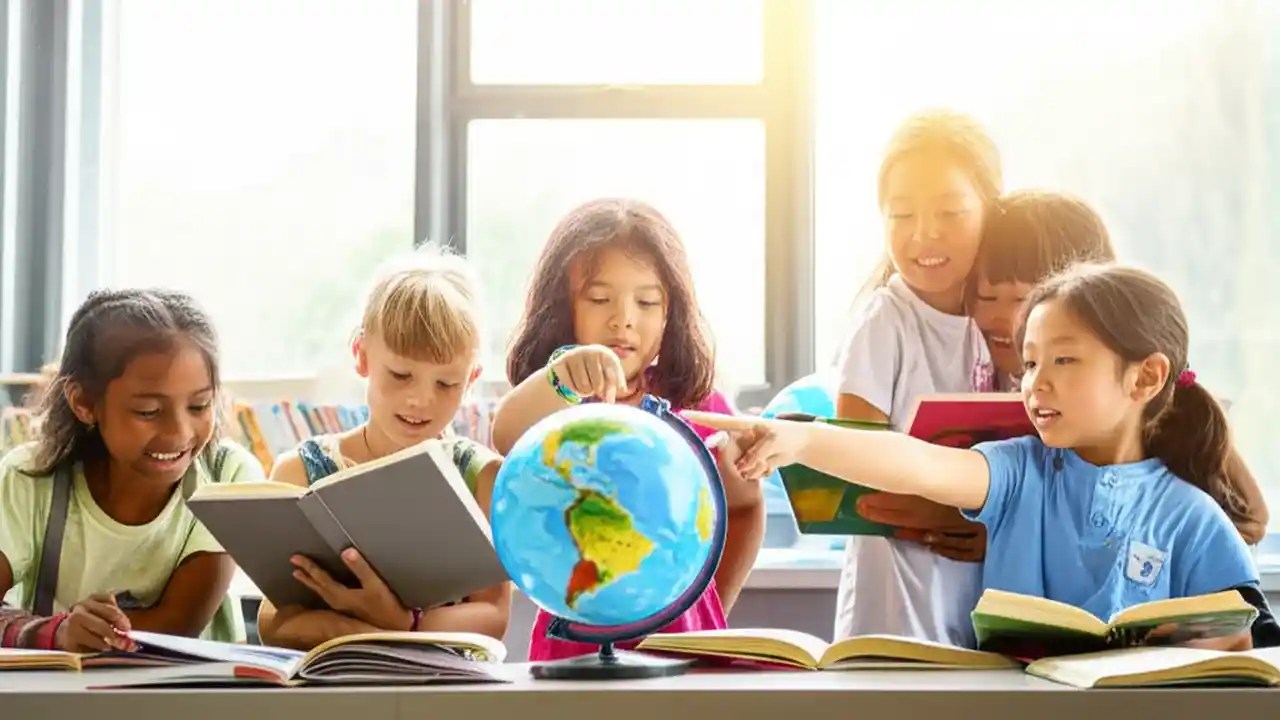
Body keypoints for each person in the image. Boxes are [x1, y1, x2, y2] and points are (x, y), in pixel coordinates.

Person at [688, 263, 1280, 650]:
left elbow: (1243, 653)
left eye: (1064, 361)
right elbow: (916, 463)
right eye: (1029, 363)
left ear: (1145, 377)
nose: (1035, 383)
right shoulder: (1019, 472)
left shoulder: (1193, 519)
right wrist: (801, 441)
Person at [492, 197, 767, 661]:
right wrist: (563, 377)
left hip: (684, 647)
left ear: (669, 314)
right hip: (575, 648)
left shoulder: (698, 407)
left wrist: (705, 601)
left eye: (647, 301)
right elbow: (506, 432)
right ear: (564, 308)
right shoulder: (558, 400)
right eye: (600, 299)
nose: (623, 318)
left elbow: (745, 506)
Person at [255, 245, 511, 650]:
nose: (420, 400)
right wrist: (372, 629)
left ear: (472, 379)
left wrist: (403, 623)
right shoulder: (300, 473)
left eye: (446, 384)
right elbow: (273, 620)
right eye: (401, 374)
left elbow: (493, 616)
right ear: (361, 356)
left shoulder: (482, 477)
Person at [0, 289, 262, 651]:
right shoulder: (30, 477)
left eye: (199, 405)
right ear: (84, 403)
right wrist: (56, 632)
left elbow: (178, 624)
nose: (180, 433)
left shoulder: (228, 475)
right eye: (149, 412)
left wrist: (74, 632)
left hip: (197, 702)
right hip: (60, 701)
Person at [830, 110, 1001, 647]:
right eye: (900, 214)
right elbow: (853, 467)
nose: (924, 234)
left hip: (977, 597)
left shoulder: (1002, 323)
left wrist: (986, 527)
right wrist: (954, 510)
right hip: (897, 606)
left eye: (949, 211)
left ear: (990, 210)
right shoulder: (885, 321)